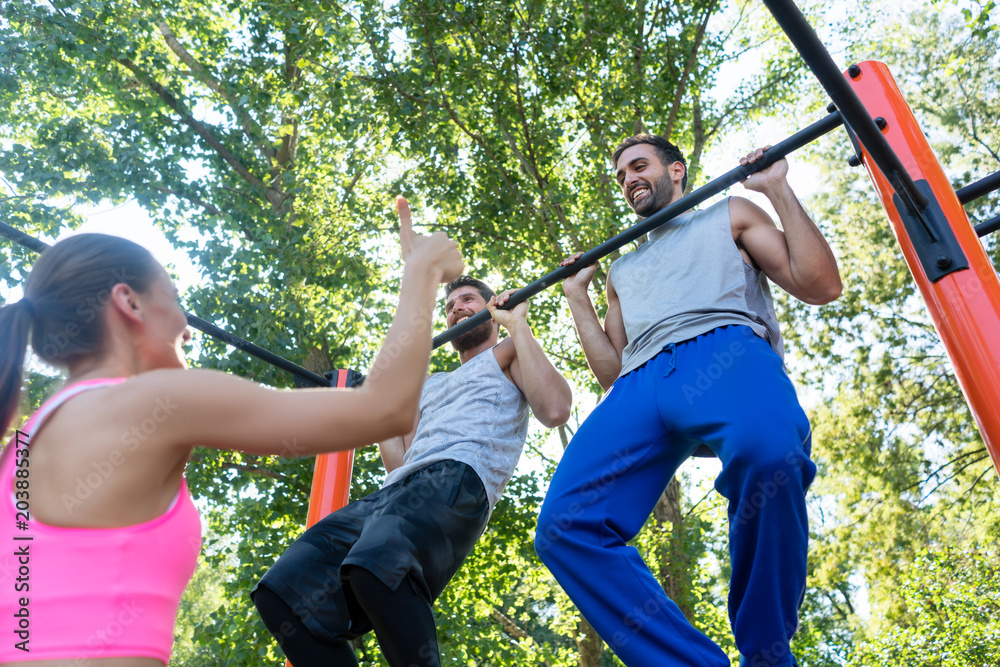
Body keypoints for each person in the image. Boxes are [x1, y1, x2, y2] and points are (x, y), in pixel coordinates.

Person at [0, 196, 462, 667]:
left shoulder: (21, 446)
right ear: (129, 302)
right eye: (175, 301)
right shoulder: (157, 399)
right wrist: (421, 270)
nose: (187, 329)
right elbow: (386, 409)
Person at [536, 137, 842, 667]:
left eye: (639, 165)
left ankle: (768, 654)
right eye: (621, 175)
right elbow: (611, 370)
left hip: (723, 348)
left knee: (772, 457)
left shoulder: (730, 213)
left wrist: (776, 188)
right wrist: (576, 296)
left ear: (675, 170)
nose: (629, 178)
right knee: (565, 525)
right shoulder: (622, 271)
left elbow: (820, 284)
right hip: (640, 383)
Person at [252, 275, 572, 666]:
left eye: (468, 300)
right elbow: (399, 462)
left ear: (491, 309)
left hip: (458, 478)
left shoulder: (507, 353)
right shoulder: (428, 385)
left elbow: (555, 410)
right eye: (451, 305)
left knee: (375, 563)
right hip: (396, 492)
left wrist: (518, 324)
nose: (457, 308)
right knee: (285, 592)